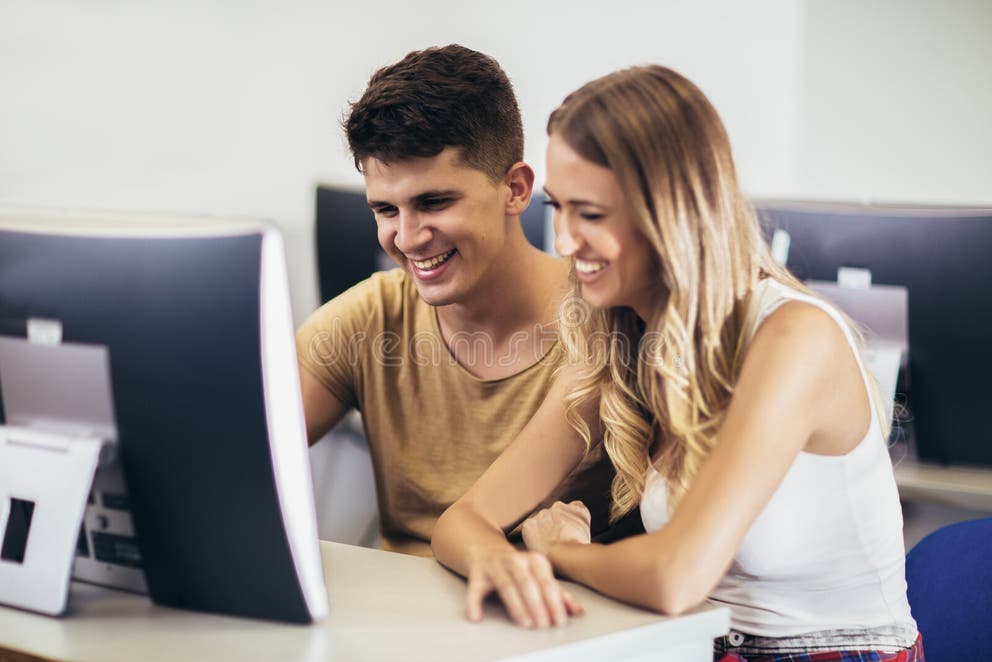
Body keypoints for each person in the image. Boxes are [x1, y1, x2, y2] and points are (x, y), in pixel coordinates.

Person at [432, 65, 924, 660]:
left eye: (589, 214)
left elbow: (676, 577)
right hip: (696, 645)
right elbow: (462, 520)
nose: (562, 241)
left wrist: (561, 550)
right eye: (557, 208)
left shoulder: (794, 336)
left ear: (670, 212)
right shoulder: (623, 338)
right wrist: (499, 559)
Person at [296, 45, 632, 558]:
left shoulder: (609, 325)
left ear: (515, 190)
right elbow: (235, 456)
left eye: (434, 202)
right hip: (397, 618)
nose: (407, 238)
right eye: (386, 209)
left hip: (550, 620)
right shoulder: (368, 317)